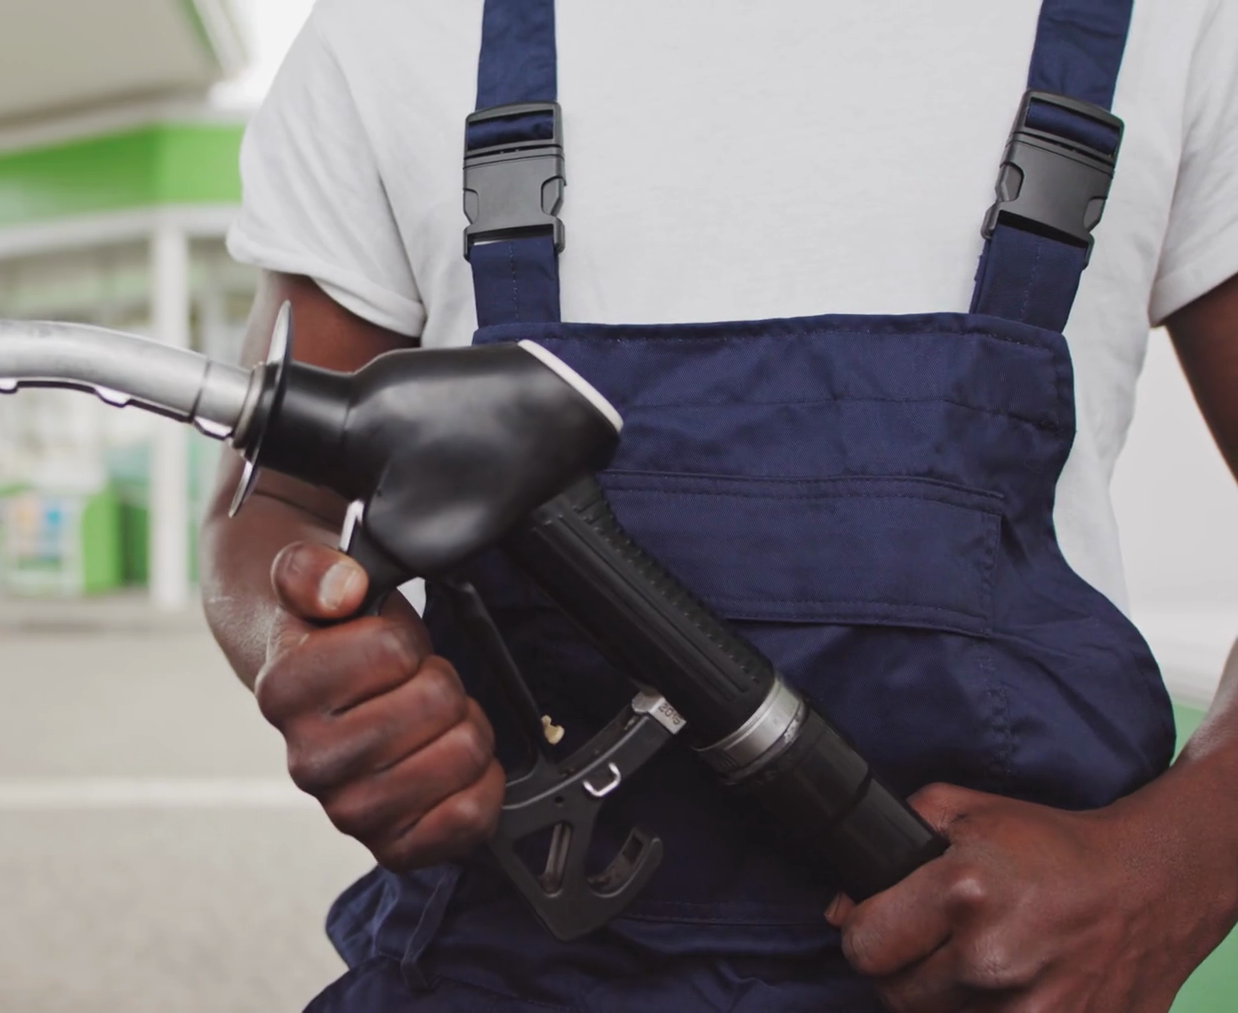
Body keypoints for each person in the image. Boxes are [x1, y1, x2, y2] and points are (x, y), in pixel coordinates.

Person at [199, 1, 1238, 1010]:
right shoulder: (401, 30)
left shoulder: (1178, 25)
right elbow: (272, 500)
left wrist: (1167, 872)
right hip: (509, 963)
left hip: (1004, 971)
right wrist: (307, 655)